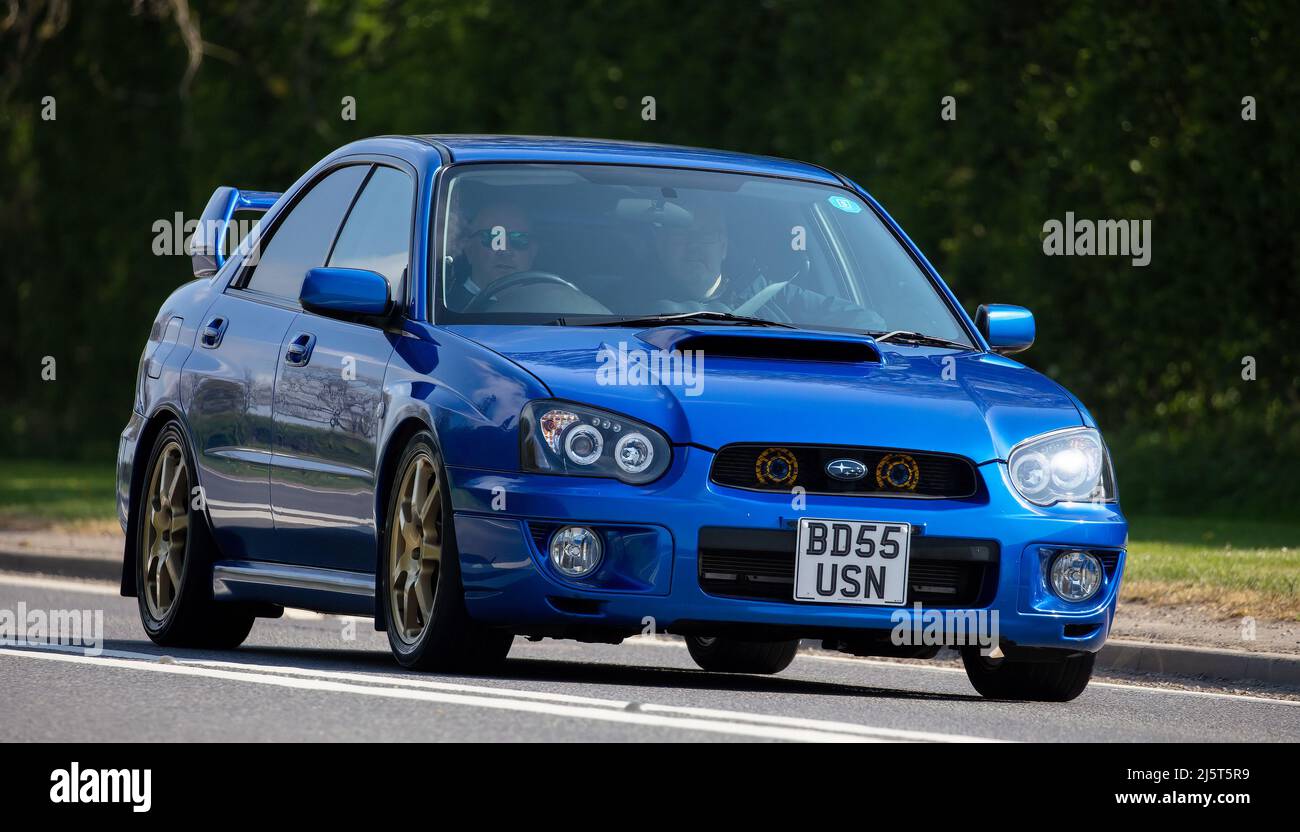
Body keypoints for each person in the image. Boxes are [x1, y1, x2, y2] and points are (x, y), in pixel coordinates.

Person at [649, 198, 884, 329]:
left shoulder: (772, 295)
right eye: (681, 234)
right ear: (661, 245)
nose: (694, 245)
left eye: (705, 235)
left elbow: (868, 322)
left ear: (724, 246)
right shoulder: (626, 302)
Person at [445, 202, 540, 309]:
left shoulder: (551, 308)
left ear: (533, 252)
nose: (505, 251)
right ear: (469, 249)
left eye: (519, 239)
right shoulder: (443, 310)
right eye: (494, 238)